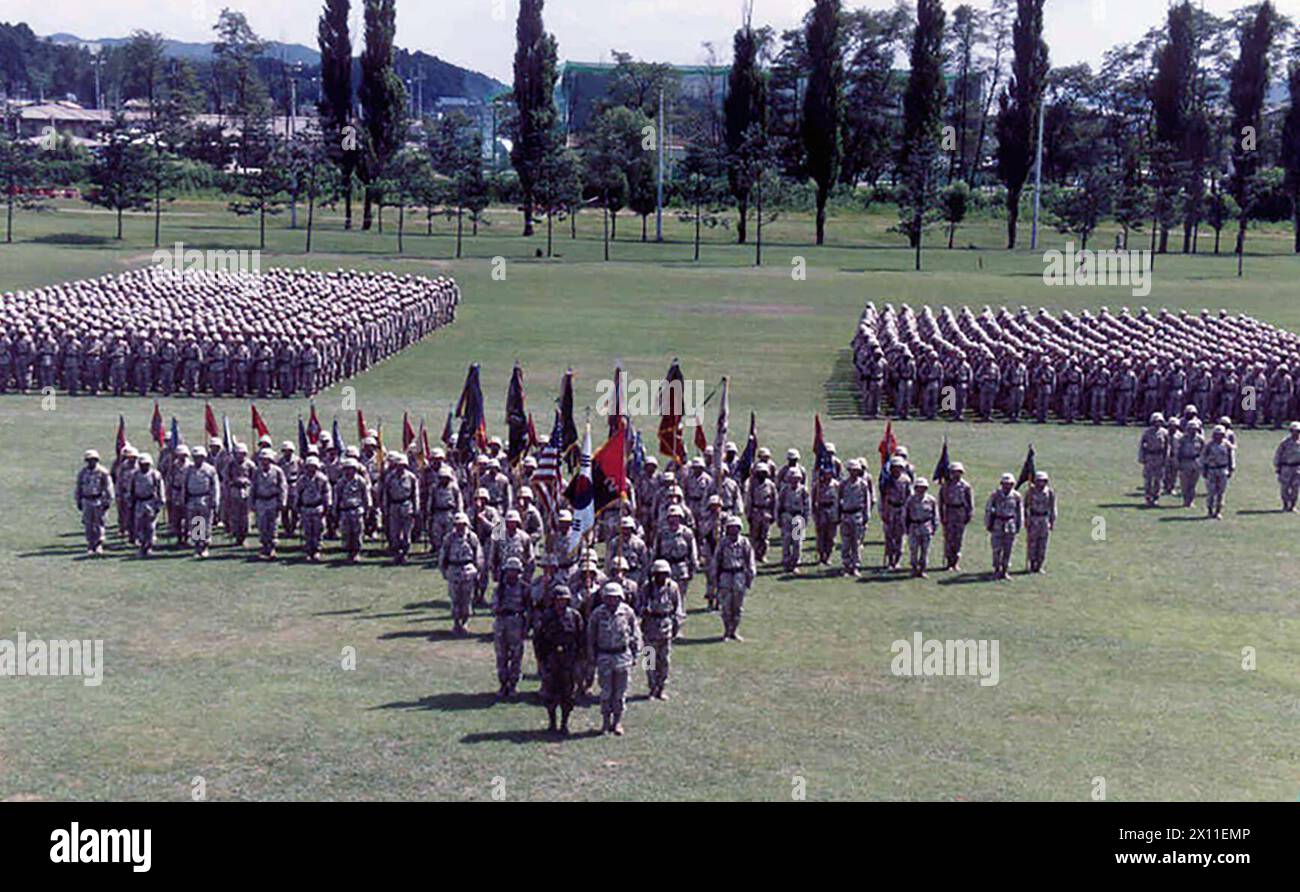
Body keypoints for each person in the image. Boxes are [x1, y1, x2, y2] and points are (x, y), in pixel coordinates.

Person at [587, 582, 641, 736]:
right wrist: (591, 655)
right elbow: (590, 636)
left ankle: (617, 722)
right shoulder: (597, 614)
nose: (611, 601)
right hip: (604, 656)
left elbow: (635, 634)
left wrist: (636, 654)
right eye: (608, 598)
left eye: (615, 598)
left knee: (620, 692)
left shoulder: (627, 612)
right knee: (606, 692)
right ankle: (605, 721)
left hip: (622, 656)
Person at [536, 586, 584, 735]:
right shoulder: (546, 616)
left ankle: (564, 723)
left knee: (568, 693)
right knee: (550, 692)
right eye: (558, 600)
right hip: (551, 657)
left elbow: (580, 637)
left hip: (569, 659)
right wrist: (541, 659)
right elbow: (538, 639)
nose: (560, 603)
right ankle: (552, 722)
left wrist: (579, 658)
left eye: (564, 600)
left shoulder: (574, 616)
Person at [638, 560, 682, 700]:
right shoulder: (647, 588)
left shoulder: (672, 587)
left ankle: (661, 687)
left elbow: (678, 607)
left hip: (666, 626)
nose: (661, 577)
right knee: (650, 660)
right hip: (650, 627)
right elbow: (639, 606)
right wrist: (644, 610)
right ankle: (651, 687)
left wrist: (676, 625)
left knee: (664, 661)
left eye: (664, 574)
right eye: (658, 574)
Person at [712, 515, 756, 641]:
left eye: (735, 528)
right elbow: (716, 560)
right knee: (726, 606)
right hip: (725, 576)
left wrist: (750, 577)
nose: (733, 531)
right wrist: (715, 578)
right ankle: (726, 630)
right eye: (731, 528)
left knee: (737, 607)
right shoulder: (723, 543)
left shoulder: (744, 542)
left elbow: (750, 560)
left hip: (739, 576)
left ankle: (734, 631)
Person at [492, 556, 529, 700]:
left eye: (515, 571)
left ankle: (513, 685)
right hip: (502, 623)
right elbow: (494, 606)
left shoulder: (525, 588)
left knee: (516, 656)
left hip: (517, 622)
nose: (512, 574)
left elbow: (528, 609)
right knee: (501, 656)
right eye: (510, 571)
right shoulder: (500, 588)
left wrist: (526, 627)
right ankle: (503, 684)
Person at [439, 512, 482, 635]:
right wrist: (443, 569)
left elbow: (478, 554)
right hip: (454, 569)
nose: (460, 527)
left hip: (467, 569)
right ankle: (456, 622)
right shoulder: (449, 538)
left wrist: (478, 570)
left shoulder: (471, 537)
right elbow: (443, 554)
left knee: (466, 599)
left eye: (462, 524)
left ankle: (465, 622)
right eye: (457, 524)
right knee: (455, 599)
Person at [75, 449, 115, 556]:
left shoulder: (103, 472)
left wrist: (108, 500)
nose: (91, 462)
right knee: (88, 523)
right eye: (89, 460)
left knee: (99, 523)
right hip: (87, 500)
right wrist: (78, 500)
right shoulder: (82, 473)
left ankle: (98, 544)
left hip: (98, 500)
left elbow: (108, 487)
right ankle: (90, 544)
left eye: (93, 460)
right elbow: (79, 487)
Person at [984, 473, 1023, 580]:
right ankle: (997, 569)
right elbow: (988, 509)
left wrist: (1019, 525)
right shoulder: (995, 495)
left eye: (1010, 484)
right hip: (998, 523)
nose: (1007, 486)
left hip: (1010, 524)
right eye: (1005, 484)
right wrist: (988, 523)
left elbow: (1019, 512)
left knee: (1008, 549)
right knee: (996, 549)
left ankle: (1005, 570)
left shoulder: (1016, 496)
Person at [837, 459, 872, 577]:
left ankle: (855, 566)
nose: (854, 472)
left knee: (856, 543)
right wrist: (838, 515)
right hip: (846, 515)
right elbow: (838, 500)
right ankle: (846, 566)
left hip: (857, 515)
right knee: (846, 542)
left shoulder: (863, 484)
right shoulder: (843, 484)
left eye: (856, 470)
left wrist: (866, 515)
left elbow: (867, 501)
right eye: (852, 470)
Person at [252, 448, 289, 560]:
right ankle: (198, 545)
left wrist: (282, 501)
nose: (264, 462)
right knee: (262, 525)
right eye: (262, 459)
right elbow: (253, 488)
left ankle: (271, 547)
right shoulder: (257, 472)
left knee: (272, 526)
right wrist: (252, 503)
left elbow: (283, 487)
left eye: (266, 459)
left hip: (272, 500)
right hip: (261, 501)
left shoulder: (277, 471)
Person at [296, 455, 333, 562]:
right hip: (306, 508)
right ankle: (308, 551)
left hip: (318, 507)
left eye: (313, 466)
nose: (311, 469)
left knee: (318, 531)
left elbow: (327, 493)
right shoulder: (302, 480)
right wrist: (297, 506)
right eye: (309, 466)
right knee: (307, 531)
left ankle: (317, 550)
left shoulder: (322, 479)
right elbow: (298, 493)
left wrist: (327, 506)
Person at [939, 463, 973, 571]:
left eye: (958, 472)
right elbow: (941, 502)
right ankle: (949, 562)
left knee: (958, 539)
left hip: (960, 513)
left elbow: (970, 502)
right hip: (949, 512)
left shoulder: (966, 486)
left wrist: (969, 514)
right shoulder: (945, 486)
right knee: (949, 538)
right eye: (954, 472)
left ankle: (955, 562)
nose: (956, 474)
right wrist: (942, 515)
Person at [336, 459, 371, 563]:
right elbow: (337, 496)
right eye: (347, 469)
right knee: (346, 533)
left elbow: (366, 495)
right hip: (345, 511)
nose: (349, 471)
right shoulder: (341, 482)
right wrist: (335, 509)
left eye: (351, 469)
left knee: (357, 532)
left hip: (357, 510)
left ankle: (356, 552)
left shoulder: (360, 481)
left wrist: (368, 508)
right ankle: (348, 552)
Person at [130, 453, 165, 557]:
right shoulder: (135, 475)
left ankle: (201, 545)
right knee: (140, 526)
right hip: (140, 502)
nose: (144, 466)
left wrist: (160, 503)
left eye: (146, 464)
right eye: (142, 464)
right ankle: (142, 546)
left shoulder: (155, 475)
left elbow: (160, 489)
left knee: (150, 527)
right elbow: (131, 489)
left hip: (151, 502)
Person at [903, 477, 939, 578]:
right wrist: (906, 528)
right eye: (919, 487)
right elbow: (905, 515)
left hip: (926, 527)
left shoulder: (931, 500)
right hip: (914, 527)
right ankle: (914, 568)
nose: (921, 489)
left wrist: (934, 528)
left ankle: (922, 569)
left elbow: (935, 515)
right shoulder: (910, 500)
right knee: (913, 550)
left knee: (925, 550)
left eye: (923, 487)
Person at [777, 467, 810, 574]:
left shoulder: (803, 490)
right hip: (787, 515)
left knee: (797, 542)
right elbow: (779, 505)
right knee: (786, 540)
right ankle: (786, 562)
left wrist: (805, 519)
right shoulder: (785, 490)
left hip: (798, 517)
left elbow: (807, 506)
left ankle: (795, 563)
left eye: (796, 478)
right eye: (792, 478)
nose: (794, 480)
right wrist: (778, 518)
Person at [1199, 425, 1236, 520]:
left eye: (1221, 434)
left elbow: (1231, 457)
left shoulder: (1227, 445)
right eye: (1217, 434)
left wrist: (1231, 468)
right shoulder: (1209, 445)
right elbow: (1203, 458)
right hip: (1212, 469)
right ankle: (1210, 510)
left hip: (1223, 469)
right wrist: (1203, 470)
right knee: (1211, 492)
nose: (1218, 436)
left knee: (1221, 492)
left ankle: (1218, 511)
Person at [1024, 471, 1057, 573]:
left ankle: (1039, 565)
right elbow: (1025, 506)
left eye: (1043, 481)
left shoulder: (1049, 492)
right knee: (1032, 543)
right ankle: (1032, 563)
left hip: (1044, 519)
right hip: (1033, 519)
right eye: (1039, 481)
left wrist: (1052, 521)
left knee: (1043, 543)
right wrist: (1026, 519)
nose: (1040, 483)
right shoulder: (1030, 492)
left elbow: (1053, 508)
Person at [1138, 412, 1170, 507]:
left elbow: (1167, 446)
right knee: (1148, 479)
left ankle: (1156, 497)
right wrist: (1142, 457)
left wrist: (1166, 459)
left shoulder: (1164, 432)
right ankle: (1148, 497)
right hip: (1149, 456)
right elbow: (1142, 446)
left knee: (1158, 479)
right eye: (1155, 421)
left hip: (1159, 457)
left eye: (1159, 421)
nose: (1157, 423)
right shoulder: (1147, 432)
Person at [1273, 421, 1300, 511]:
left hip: (1297, 467)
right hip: (1286, 467)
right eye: (1294, 431)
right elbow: (1278, 454)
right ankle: (1285, 504)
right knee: (1284, 487)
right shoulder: (1285, 443)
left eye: (1298, 431)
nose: (1296, 433)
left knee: (1295, 488)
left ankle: (1292, 506)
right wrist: (1277, 466)